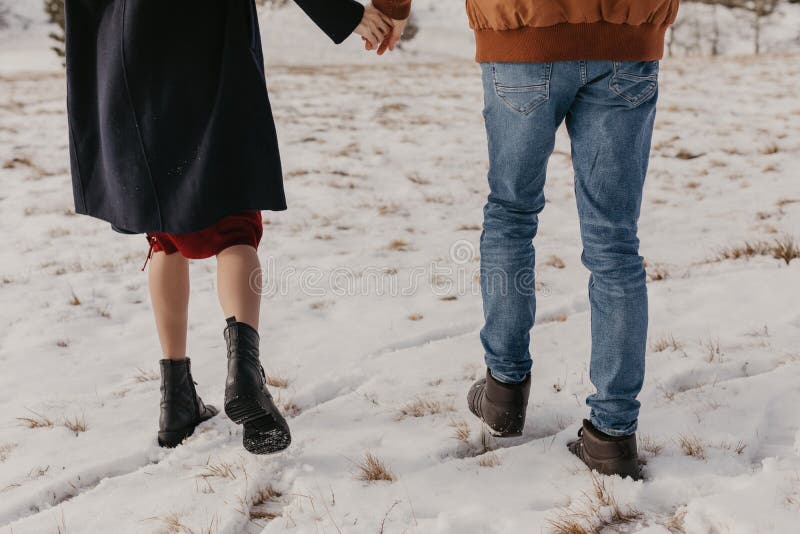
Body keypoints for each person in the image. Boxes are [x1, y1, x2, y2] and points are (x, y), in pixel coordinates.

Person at [64, 0, 399, 454]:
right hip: (209, 44)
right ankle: (246, 378)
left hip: (128, 46)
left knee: (164, 236)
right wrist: (346, 14)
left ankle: (176, 401)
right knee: (235, 225)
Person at [383, 0, 679, 479]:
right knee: (615, 244)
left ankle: (503, 391)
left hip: (523, 31)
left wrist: (390, 8)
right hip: (628, 37)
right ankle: (613, 435)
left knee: (510, 215)